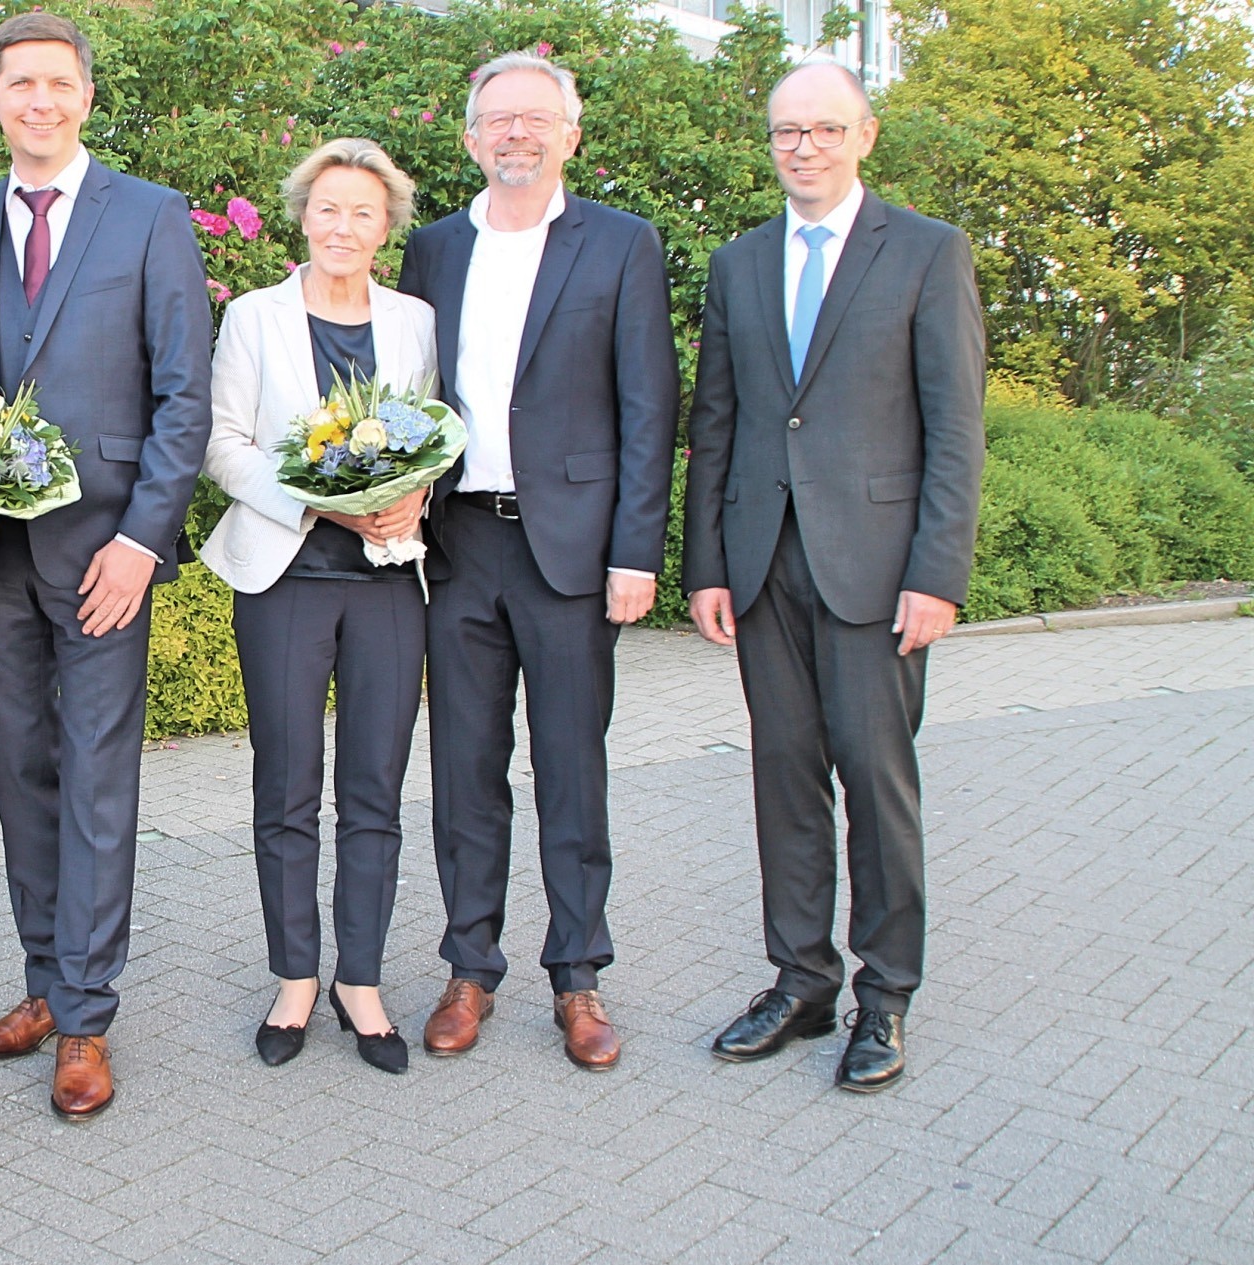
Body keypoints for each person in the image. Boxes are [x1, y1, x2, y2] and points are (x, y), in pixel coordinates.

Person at [683, 63, 985, 1093]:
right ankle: (802, 982)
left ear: (863, 135)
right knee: (785, 781)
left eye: (821, 129)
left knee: (876, 783)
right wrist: (708, 566)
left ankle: (885, 994)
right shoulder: (738, 262)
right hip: (764, 567)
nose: (801, 147)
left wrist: (936, 572)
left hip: (878, 572)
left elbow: (954, 429)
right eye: (785, 131)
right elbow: (716, 420)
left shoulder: (927, 251)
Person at [0, 11, 211, 1120]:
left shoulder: (148, 216)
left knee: (98, 782)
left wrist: (142, 541)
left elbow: (182, 396)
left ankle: (88, 1016)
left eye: (58, 82)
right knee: (22, 775)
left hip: (106, 554)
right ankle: (44, 983)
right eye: (20, 84)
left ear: (86, 96)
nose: (40, 100)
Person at [398, 51, 678, 1069]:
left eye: (535, 117)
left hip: (572, 553)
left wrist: (634, 551)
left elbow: (649, 407)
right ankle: (469, 966)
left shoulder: (620, 243)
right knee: (465, 769)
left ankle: (578, 974)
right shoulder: (433, 249)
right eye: (497, 119)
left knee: (570, 769)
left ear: (570, 134)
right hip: (460, 545)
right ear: (471, 138)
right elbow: (411, 392)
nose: (515, 132)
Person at [200, 139, 436, 1075]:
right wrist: (319, 502)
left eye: (363, 212)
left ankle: (361, 981)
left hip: (389, 581)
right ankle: (296, 976)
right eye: (328, 208)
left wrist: (414, 497)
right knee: (287, 786)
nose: (343, 226)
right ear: (303, 216)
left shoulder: (415, 321)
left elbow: (431, 437)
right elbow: (222, 444)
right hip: (287, 578)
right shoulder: (254, 317)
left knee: (375, 790)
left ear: (386, 228)